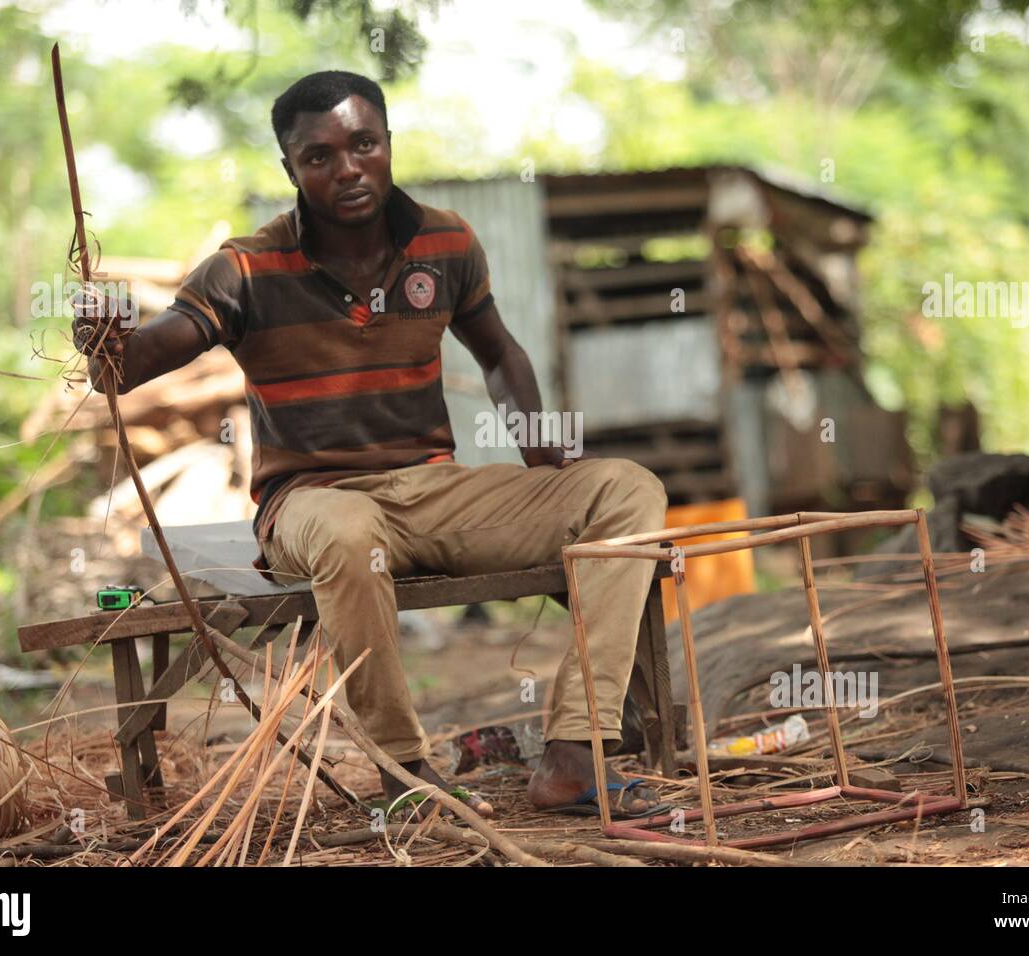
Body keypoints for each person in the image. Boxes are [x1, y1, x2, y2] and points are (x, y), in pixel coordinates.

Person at [74, 70, 667, 819]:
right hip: (314, 504)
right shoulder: (246, 269)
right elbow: (138, 362)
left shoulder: (445, 242)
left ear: (388, 145)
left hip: (436, 491)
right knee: (352, 535)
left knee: (628, 488)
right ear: (290, 169)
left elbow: (499, 354)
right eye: (318, 156)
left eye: (363, 144)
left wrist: (536, 437)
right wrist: (106, 343)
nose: (347, 168)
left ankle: (574, 754)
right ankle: (405, 773)